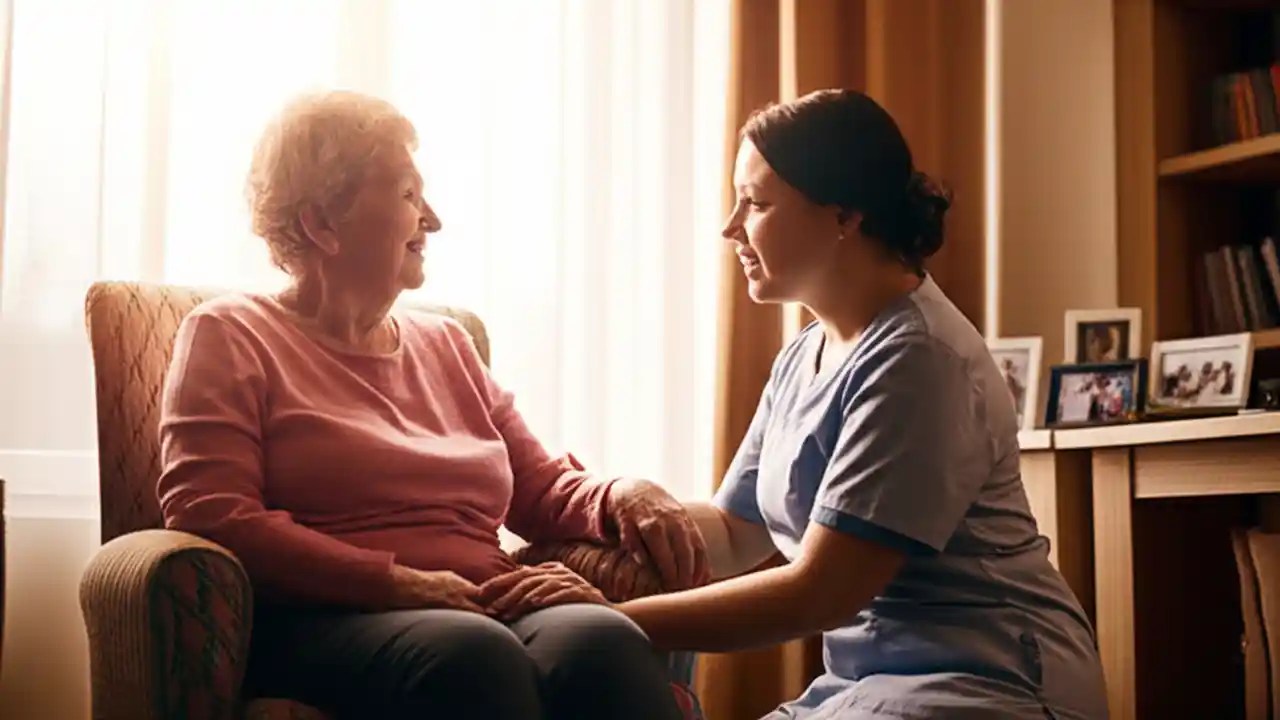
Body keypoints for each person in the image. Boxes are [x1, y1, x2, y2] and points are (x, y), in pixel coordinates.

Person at [156, 91, 707, 720]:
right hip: (327, 618)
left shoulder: (446, 343)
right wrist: (397, 582)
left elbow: (540, 488)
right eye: (409, 195)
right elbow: (211, 513)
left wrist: (619, 493)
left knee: (605, 642)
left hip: (481, 601)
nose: (434, 219)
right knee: (472, 658)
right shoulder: (230, 334)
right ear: (321, 225)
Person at [611, 89, 1109, 719]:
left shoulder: (919, 358)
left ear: (844, 214)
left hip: (987, 678)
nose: (730, 227)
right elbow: (736, 532)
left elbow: (820, 594)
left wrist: (613, 623)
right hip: (865, 685)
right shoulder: (804, 355)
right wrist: (605, 512)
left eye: (757, 203)